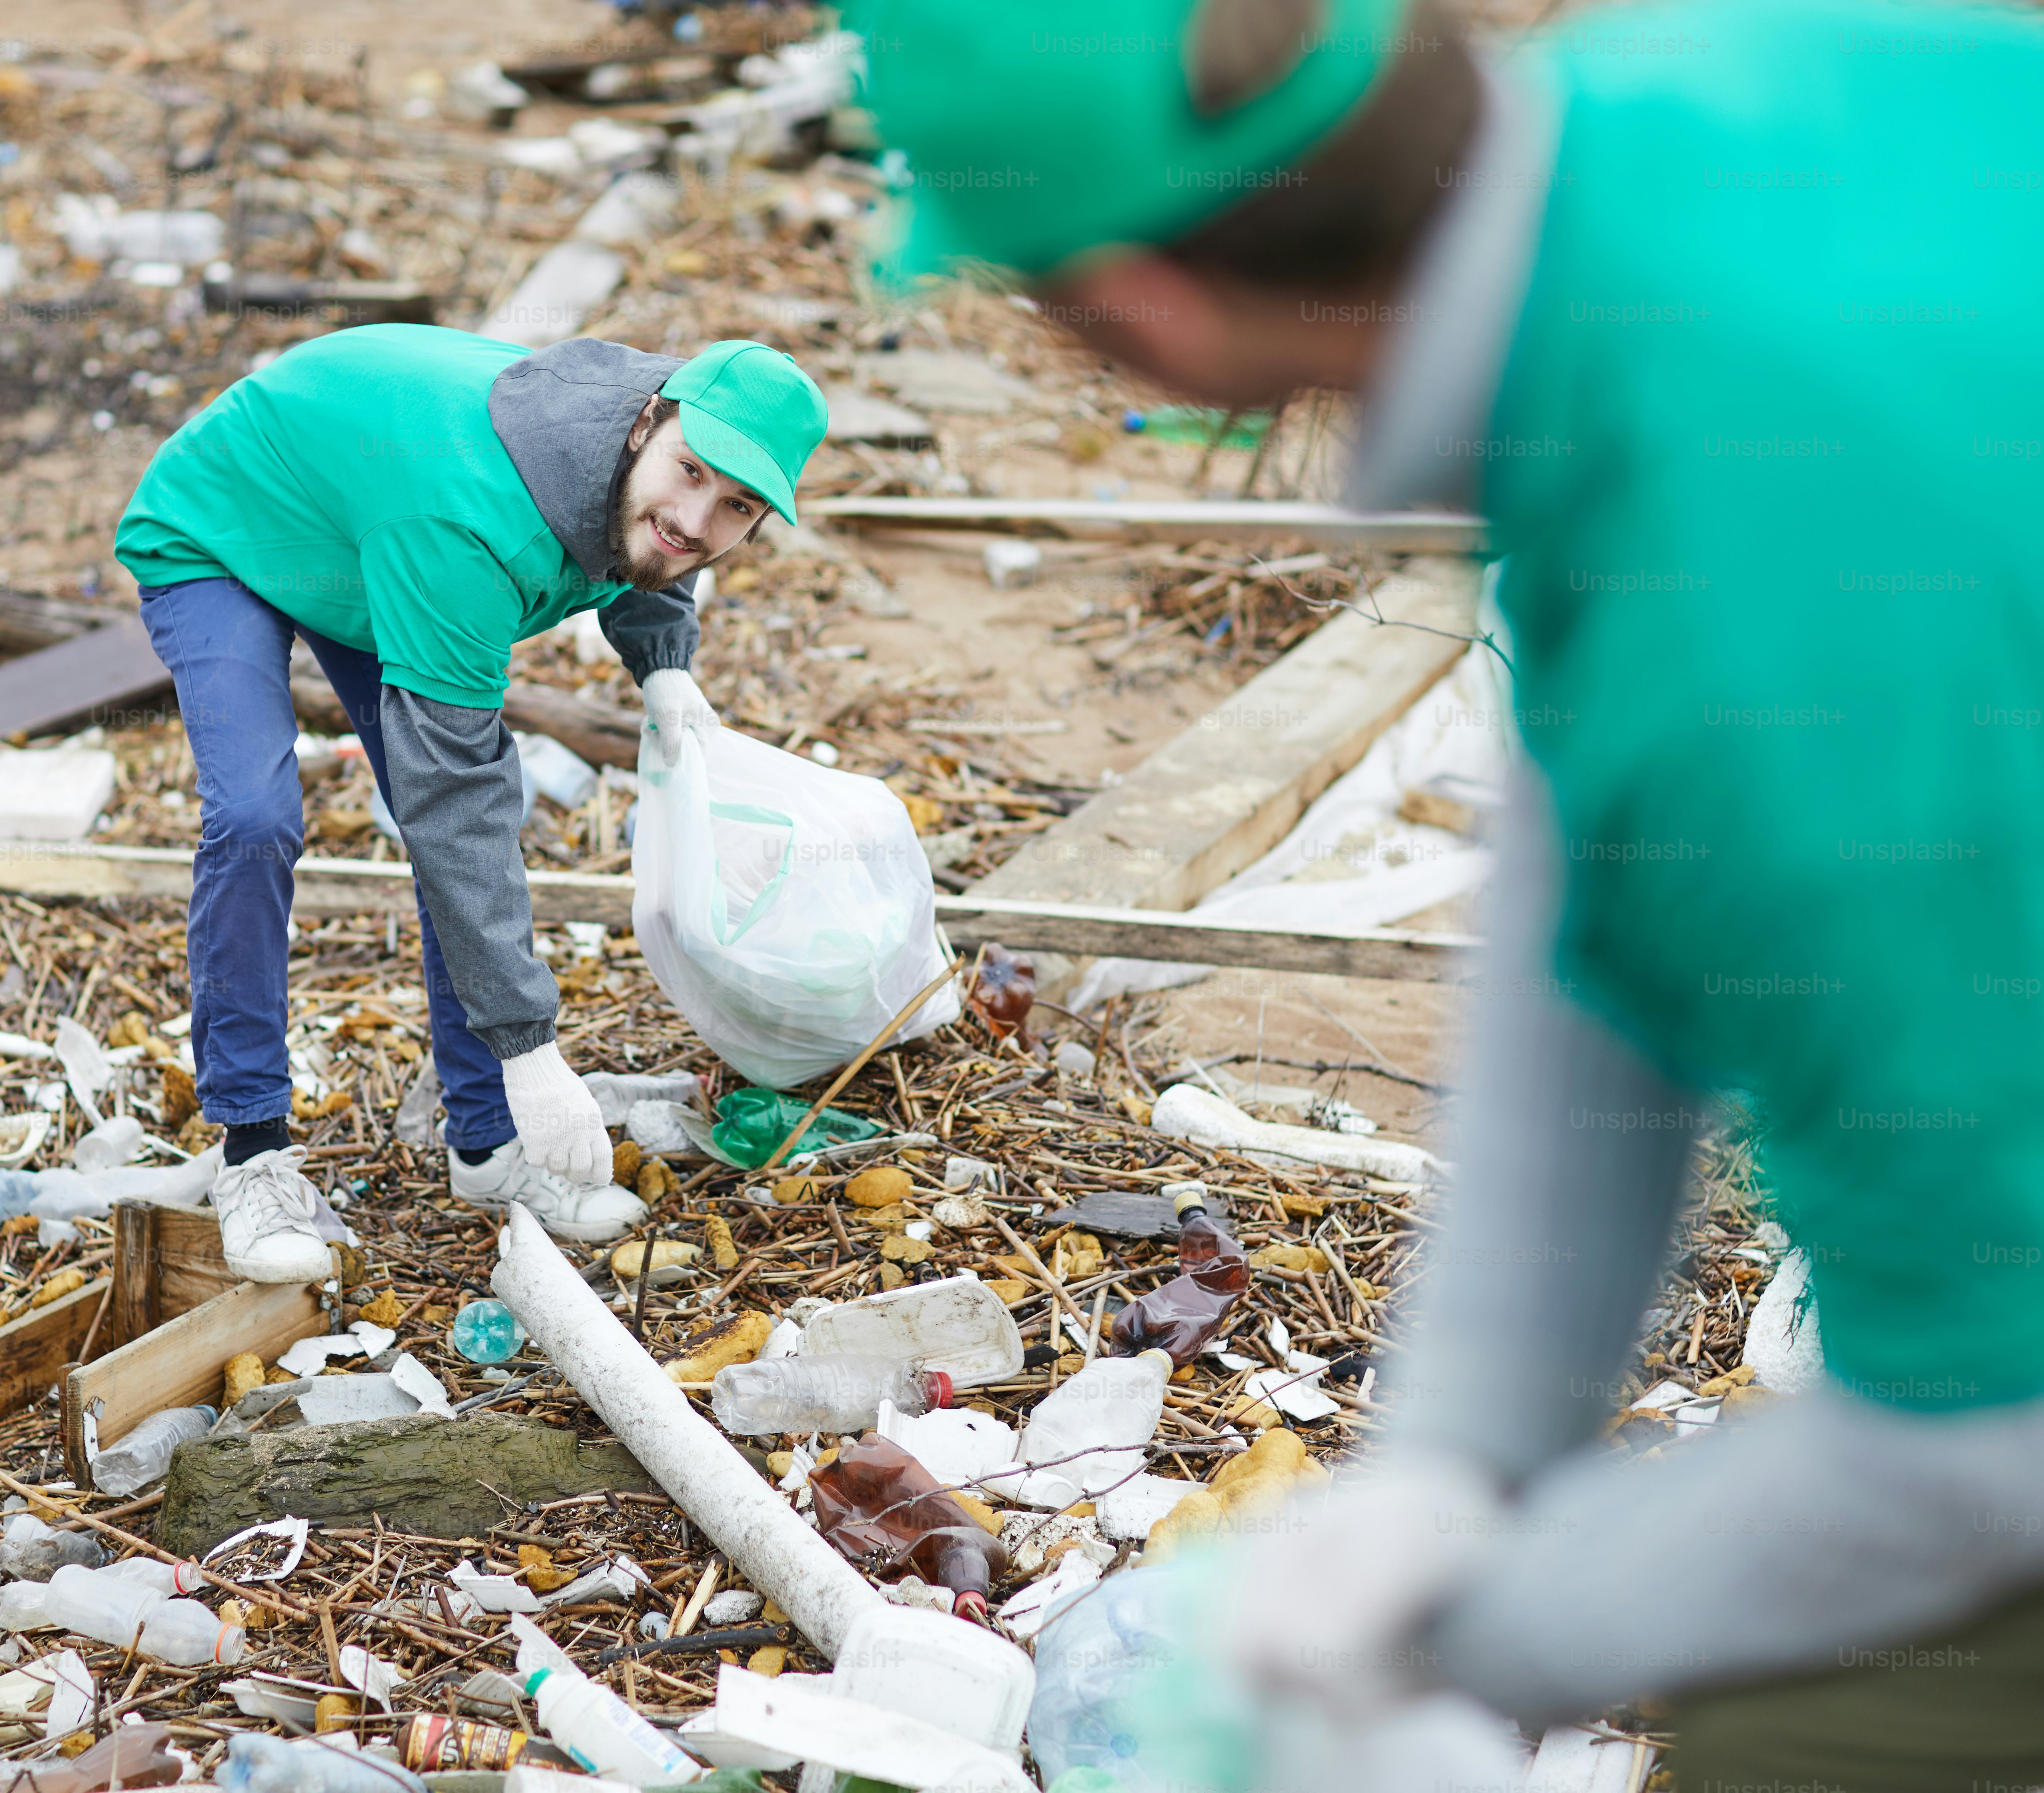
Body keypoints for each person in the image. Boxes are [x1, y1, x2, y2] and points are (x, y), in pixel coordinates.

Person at [860, 0, 2044, 1785]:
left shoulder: (1796, 663)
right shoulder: (1674, 114)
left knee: (1849, 1718)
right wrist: (1454, 1456)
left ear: (1133, 310)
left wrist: (1445, 1649)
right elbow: (1609, 876)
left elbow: (1986, 1444)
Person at [116, 326, 826, 1280]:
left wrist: (665, 669)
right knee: (257, 816)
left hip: (370, 545)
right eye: (692, 472)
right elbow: (455, 801)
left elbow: (659, 540)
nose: (700, 518)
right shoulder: (473, 521)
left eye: (738, 505)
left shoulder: (660, 444)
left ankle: (487, 1150)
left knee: (466, 826)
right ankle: (252, 1152)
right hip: (229, 528)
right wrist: (532, 1048)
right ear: (647, 426)